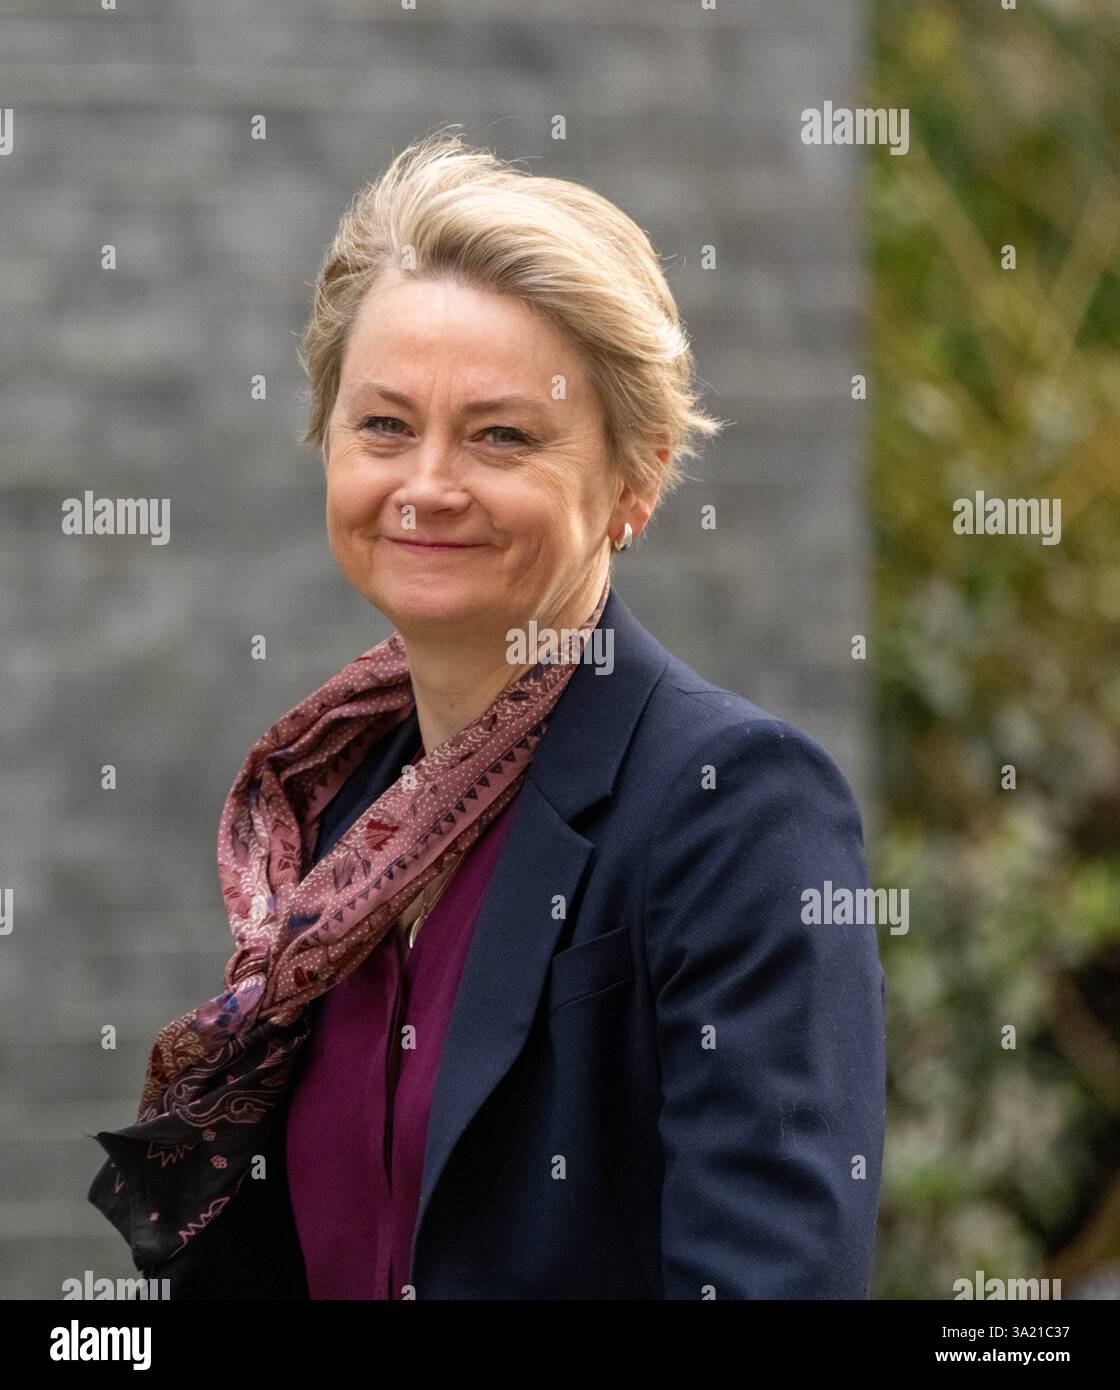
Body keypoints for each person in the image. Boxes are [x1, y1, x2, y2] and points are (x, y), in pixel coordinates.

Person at [88, 128, 885, 1300]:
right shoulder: (330, 806)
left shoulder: (735, 805)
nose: (426, 483)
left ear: (636, 479)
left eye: (501, 434)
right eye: (384, 426)